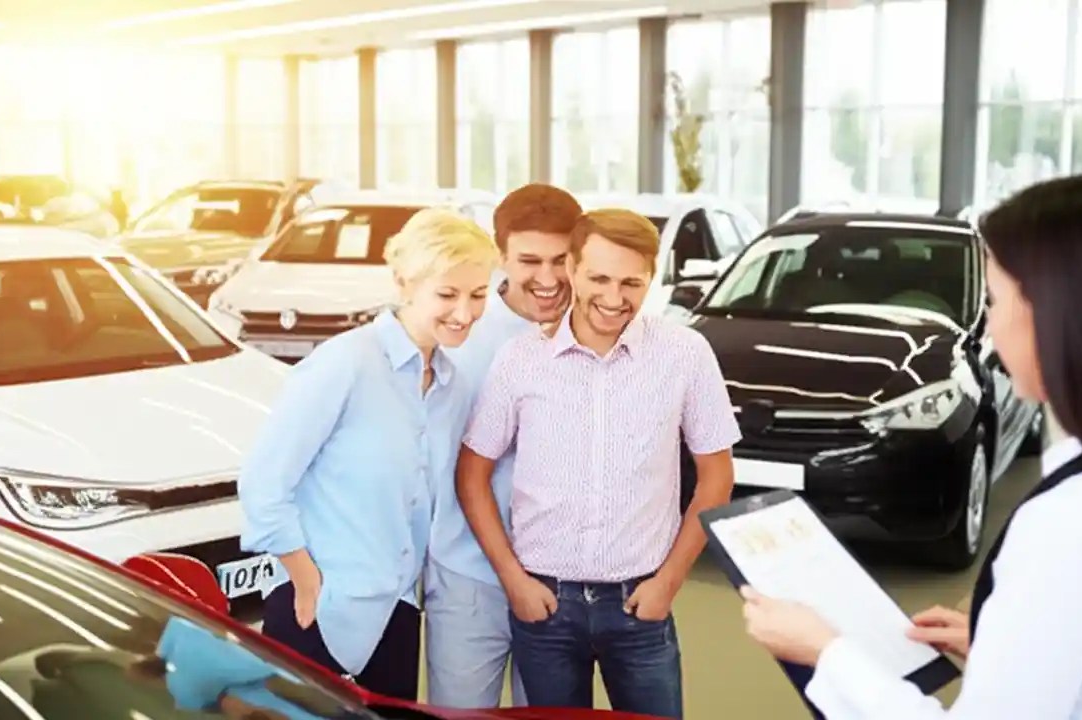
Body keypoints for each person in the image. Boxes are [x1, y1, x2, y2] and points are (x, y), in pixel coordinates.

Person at [739, 173, 1082, 718]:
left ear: (1055, 316)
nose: (992, 325)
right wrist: (1011, 645)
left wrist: (826, 653)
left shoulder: (1072, 523)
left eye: (995, 299)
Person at [457, 209, 740, 719]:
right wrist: (513, 581)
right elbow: (472, 474)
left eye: (632, 282)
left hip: (641, 604)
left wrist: (668, 583)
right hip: (543, 605)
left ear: (652, 278)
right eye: (599, 278)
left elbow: (717, 478)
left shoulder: (686, 354)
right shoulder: (521, 359)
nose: (614, 298)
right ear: (571, 269)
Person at [237, 208, 499, 702]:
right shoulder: (345, 363)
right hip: (316, 609)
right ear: (405, 283)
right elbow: (263, 485)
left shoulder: (453, 383)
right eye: (447, 294)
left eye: (478, 295)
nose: (464, 312)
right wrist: (305, 578)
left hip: (397, 613)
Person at [425, 183, 581, 709]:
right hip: (469, 576)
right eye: (529, 260)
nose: (547, 277)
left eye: (561, 260)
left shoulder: (595, 332)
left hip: (565, 584)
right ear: (501, 257)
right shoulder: (461, 337)